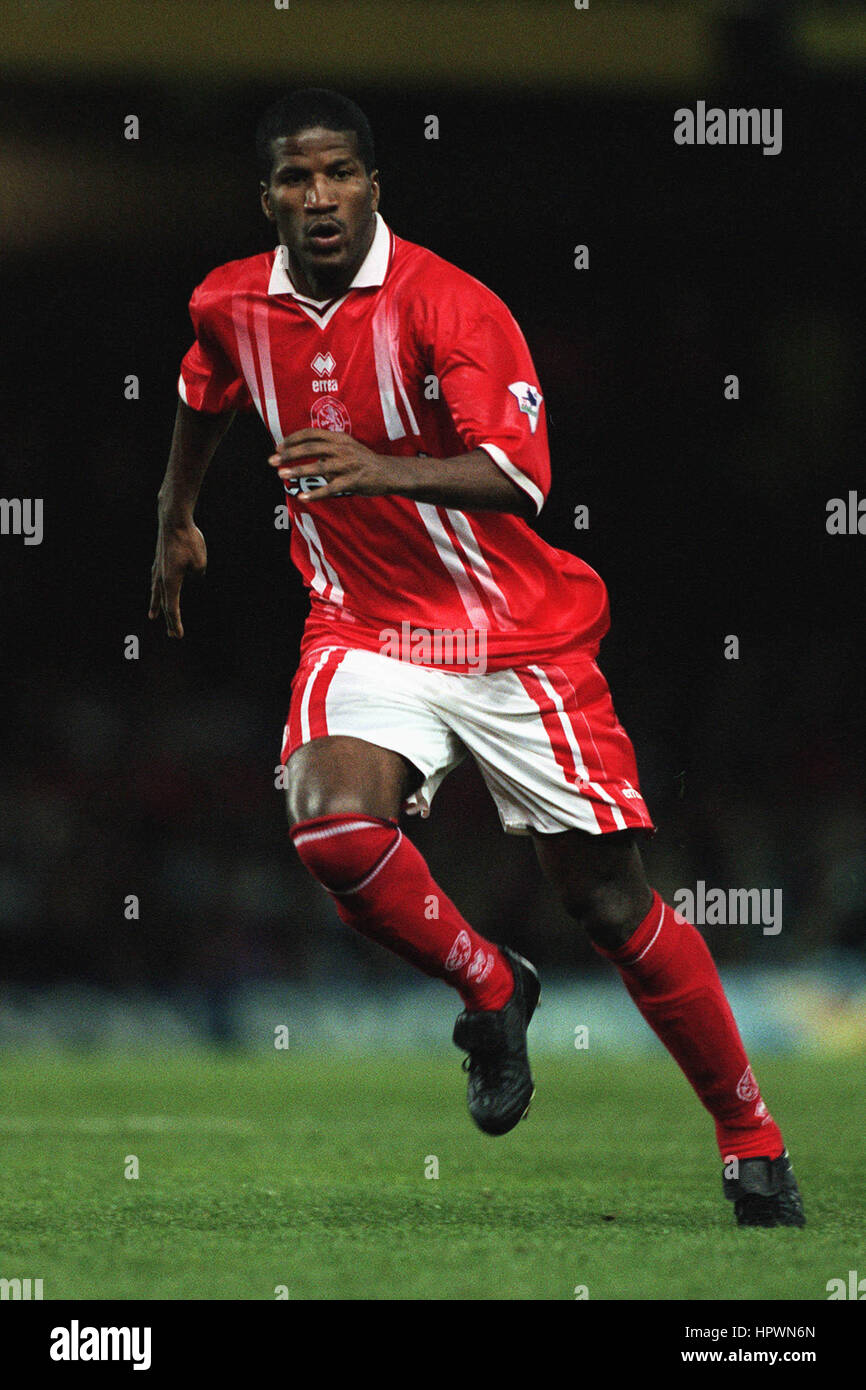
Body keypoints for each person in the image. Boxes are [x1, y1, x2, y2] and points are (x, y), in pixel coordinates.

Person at [149, 88, 804, 1228]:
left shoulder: (446, 304)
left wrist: (376, 467)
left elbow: (521, 475)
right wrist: (175, 514)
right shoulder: (228, 301)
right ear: (268, 197)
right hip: (362, 619)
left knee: (604, 898)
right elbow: (205, 385)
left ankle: (749, 1138)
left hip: (511, 633)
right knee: (330, 821)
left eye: (340, 174)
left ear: (373, 184)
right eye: (297, 179)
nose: (320, 198)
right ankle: (492, 986)